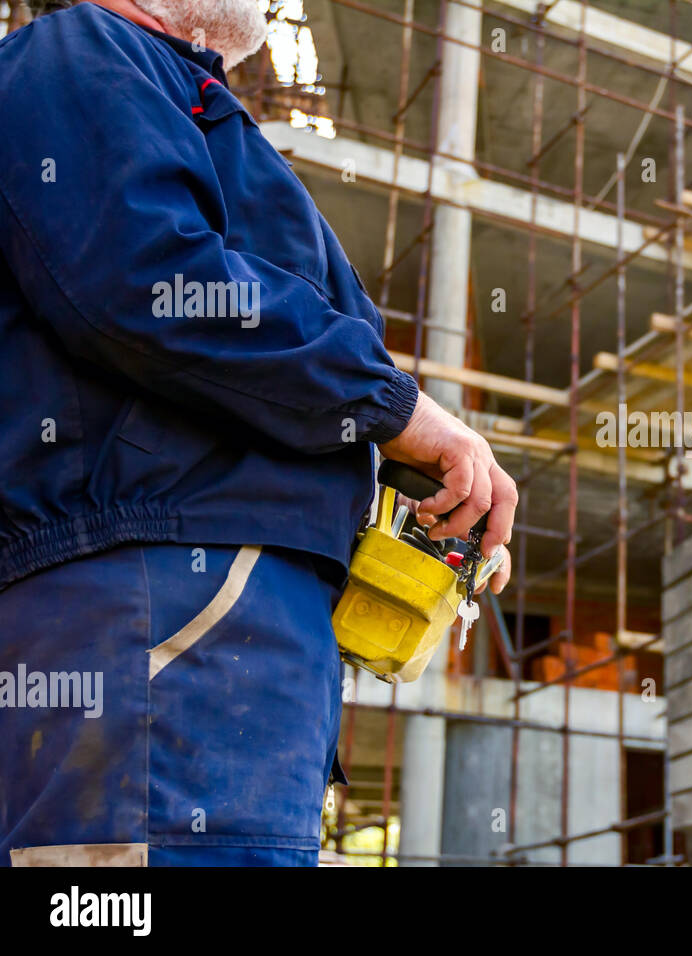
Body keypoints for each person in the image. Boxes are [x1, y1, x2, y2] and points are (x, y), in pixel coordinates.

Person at [0, 0, 516, 866]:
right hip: (168, 587)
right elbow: (152, 284)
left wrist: (396, 480)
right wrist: (393, 410)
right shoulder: (83, 51)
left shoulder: (181, 101)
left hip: (208, 609)